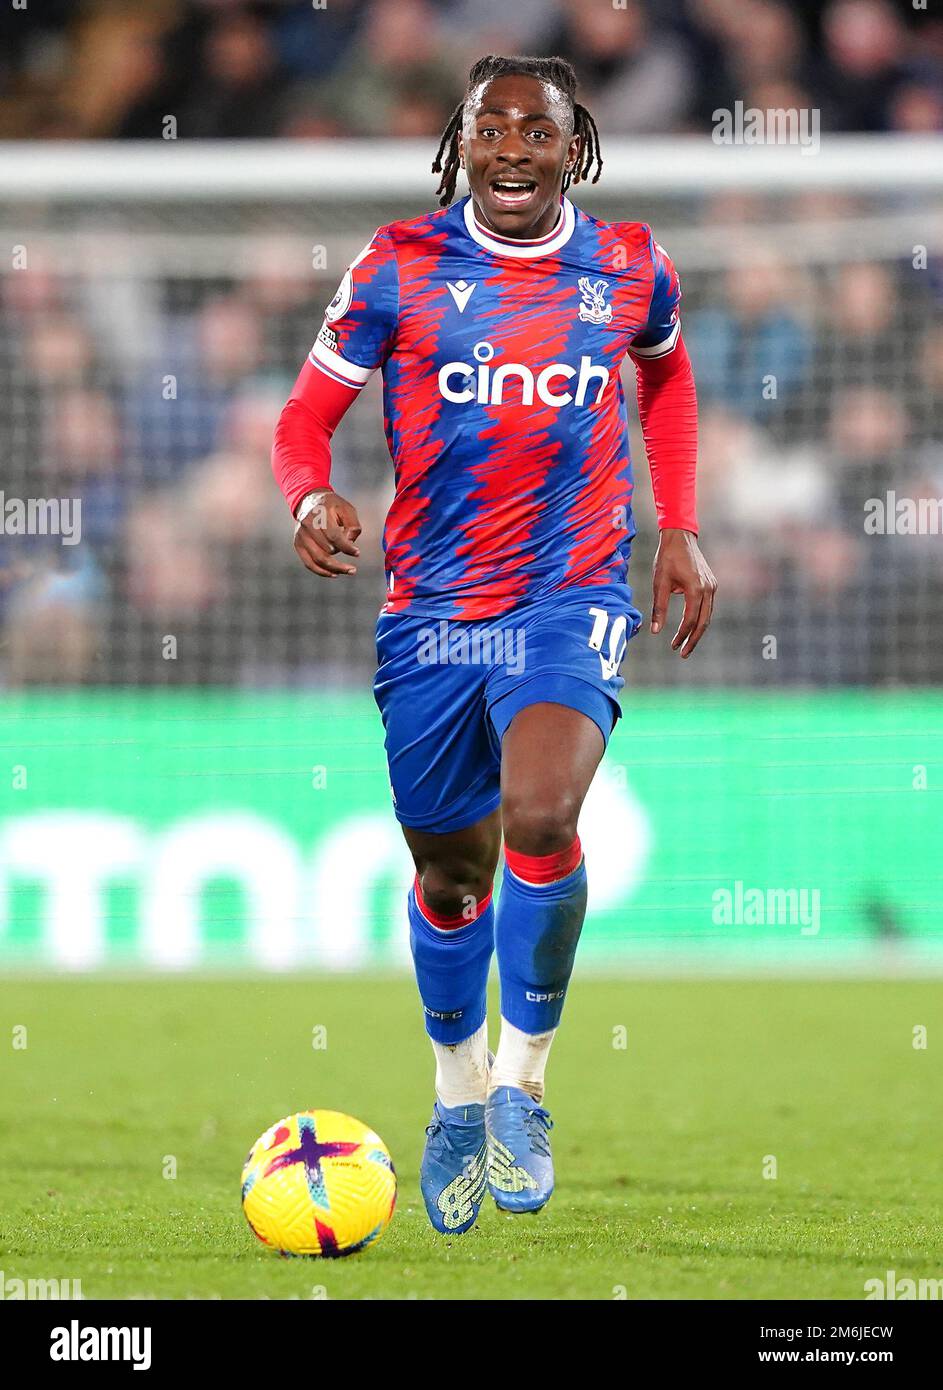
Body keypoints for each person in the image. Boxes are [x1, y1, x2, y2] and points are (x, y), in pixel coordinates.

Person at [272, 54, 716, 1236]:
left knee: (541, 813)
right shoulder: (397, 267)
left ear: (577, 147)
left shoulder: (627, 264)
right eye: (491, 127)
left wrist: (679, 526)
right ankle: (456, 1094)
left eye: (539, 128)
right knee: (450, 872)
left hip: (569, 593)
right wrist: (307, 497)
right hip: (428, 612)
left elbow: (666, 383)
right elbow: (304, 416)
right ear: (459, 145)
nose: (513, 147)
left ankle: (522, 1083)